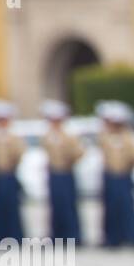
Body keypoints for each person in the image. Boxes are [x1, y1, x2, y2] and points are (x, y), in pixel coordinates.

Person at [96, 100, 134, 248]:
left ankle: (132, 238)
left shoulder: (128, 137)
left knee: (127, 209)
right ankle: (112, 238)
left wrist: (129, 164)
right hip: (110, 176)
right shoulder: (105, 136)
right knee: (110, 209)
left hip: (123, 176)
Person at [41, 99, 84, 243]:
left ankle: (72, 235)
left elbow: (79, 152)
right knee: (56, 205)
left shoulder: (69, 136)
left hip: (66, 172)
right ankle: (56, 235)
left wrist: (68, 160)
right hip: (54, 173)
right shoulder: (48, 135)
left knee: (68, 206)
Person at [0, 98, 25, 241]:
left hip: (8, 174)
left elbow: (18, 154)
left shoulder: (12, 137)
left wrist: (10, 166)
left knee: (10, 207)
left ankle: (13, 235)